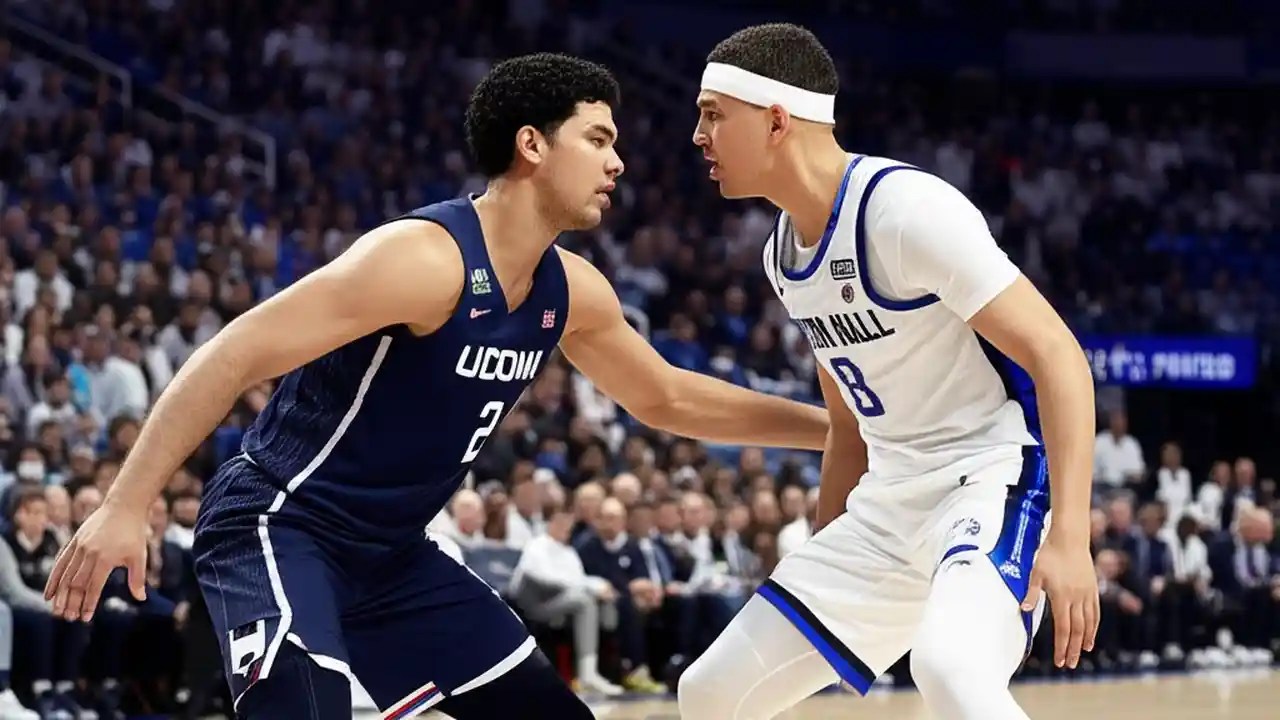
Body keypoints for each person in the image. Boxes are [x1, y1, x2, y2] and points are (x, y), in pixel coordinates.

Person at [43, 53, 829, 720]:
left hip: (395, 558)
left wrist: (839, 425)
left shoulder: (571, 291)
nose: (618, 162)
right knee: (302, 704)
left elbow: (668, 399)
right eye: (597, 139)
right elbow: (232, 354)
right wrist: (125, 504)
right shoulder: (422, 260)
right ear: (531, 145)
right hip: (284, 525)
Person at [678, 24, 1099, 720]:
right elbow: (848, 419)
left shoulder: (903, 210)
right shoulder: (781, 255)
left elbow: (1059, 356)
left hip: (991, 476)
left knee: (951, 672)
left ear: (777, 121)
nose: (698, 136)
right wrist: (824, 552)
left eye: (713, 114)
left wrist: (1072, 538)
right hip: (891, 496)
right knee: (709, 694)